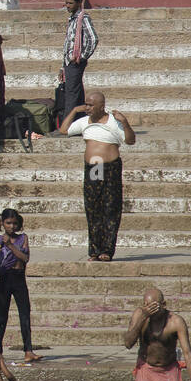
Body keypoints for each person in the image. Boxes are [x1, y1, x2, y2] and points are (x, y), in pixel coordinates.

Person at [60, 90, 135, 261]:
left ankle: (107, 251)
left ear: (102, 106)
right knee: (93, 207)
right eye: (86, 104)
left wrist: (125, 123)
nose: (87, 108)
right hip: (94, 166)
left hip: (110, 167)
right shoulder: (85, 121)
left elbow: (131, 140)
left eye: (91, 105)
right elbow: (63, 130)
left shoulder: (113, 122)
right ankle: (94, 250)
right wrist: (74, 111)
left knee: (110, 207)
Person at [0, 208, 42, 363]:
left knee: (25, 315)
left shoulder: (23, 238)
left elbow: (25, 258)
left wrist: (11, 246)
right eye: (8, 223)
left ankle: (28, 351)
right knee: (2, 315)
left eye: (14, 223)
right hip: (5, 279)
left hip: (19, 280)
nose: (11, 226)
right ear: (2, 223)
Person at [124, 287, 191, 381]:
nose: (151, 312)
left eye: (154, 308)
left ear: (164, 305)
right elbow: (128, 344)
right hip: (146, 368)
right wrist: (143, 318)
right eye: (148, 307)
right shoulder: (140, 315)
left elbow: (187, 353)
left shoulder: (176, 321)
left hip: (169, 369)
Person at [58, 0, 98, 126]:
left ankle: (65, 127)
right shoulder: (73, 19)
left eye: (70, 3)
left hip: (76, 63)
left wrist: (82, 56)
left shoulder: (84, 18)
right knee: (78, 94)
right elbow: (67, 43)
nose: (68, 6)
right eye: (66, 3)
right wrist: (62, 67)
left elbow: (93, 39)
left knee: (71, 95)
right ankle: (81, 123)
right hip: (68, 63)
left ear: (79, 2)